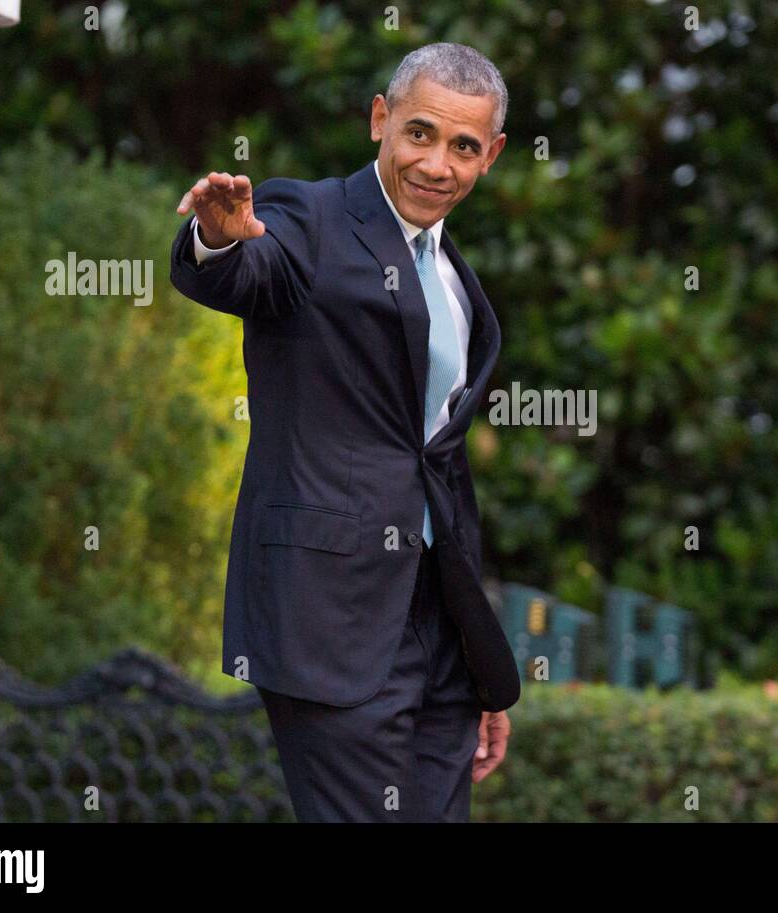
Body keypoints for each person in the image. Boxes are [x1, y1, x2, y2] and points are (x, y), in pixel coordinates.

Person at [168, 42, 518, 822]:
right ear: (380, 120)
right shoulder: (312, 219)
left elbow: (441, 471)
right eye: (420, 133)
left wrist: (483, 666)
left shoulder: (459, 280)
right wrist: (219, 240)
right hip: (331, 620)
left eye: (464, 146)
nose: (436, 164)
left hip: (441, 634)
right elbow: (250, 270)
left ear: (489, 156)